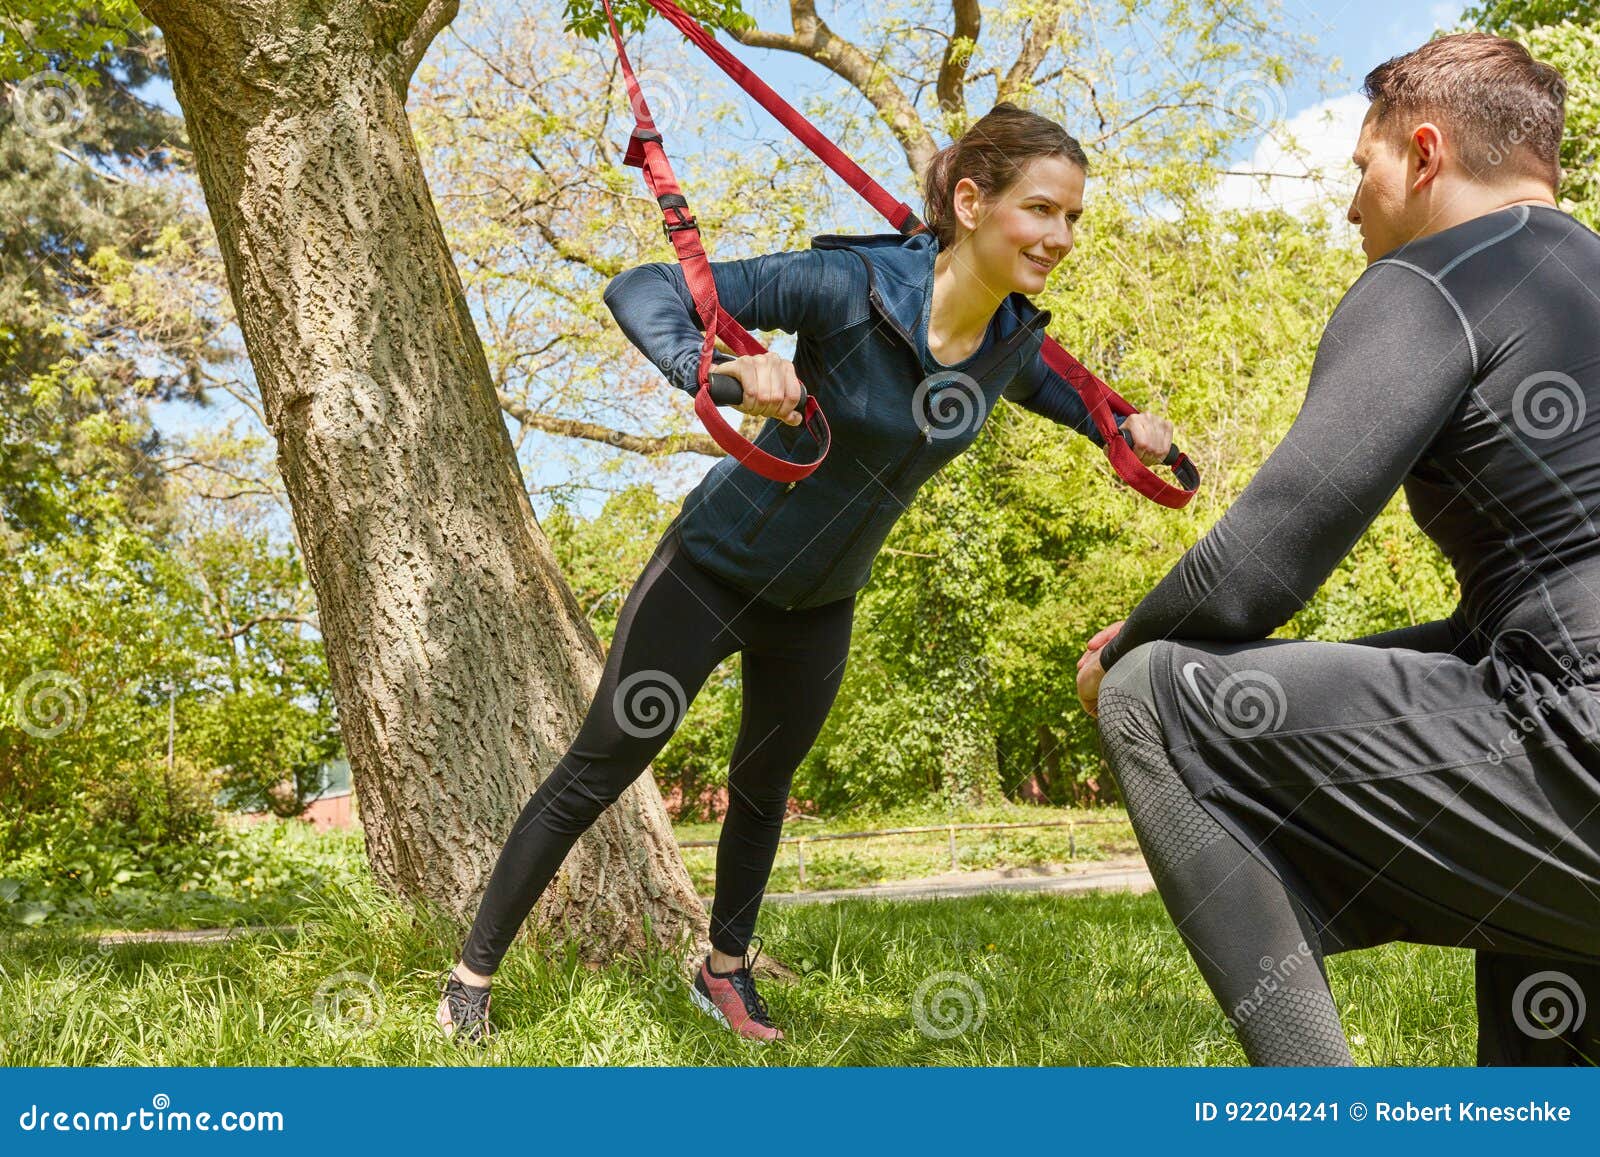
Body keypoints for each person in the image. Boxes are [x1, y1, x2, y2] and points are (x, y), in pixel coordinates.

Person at [436, 102, 1178, 1044]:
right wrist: (723, 372)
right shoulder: (849, 284)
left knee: (763, 784)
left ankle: (726, 970)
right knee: (601, 766)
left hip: (821, 603)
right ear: (970, 201)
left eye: (1073, 218)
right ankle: (468, 980)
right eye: (1042, 210)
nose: (1060, 237)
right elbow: (646, 286)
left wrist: (1125, 426)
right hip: (711, 569)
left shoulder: (1011, 342)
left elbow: (1065, 394)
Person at [1076, 32, 1600, 1066]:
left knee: (1153, 690)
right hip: (1564, 720)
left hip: (1577, 738)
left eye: (1360, 170)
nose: (1351, 205)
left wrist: (1123, 644)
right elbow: (1509, 625)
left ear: (1424, 153)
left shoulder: (1435, 276)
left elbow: (1265, 555)